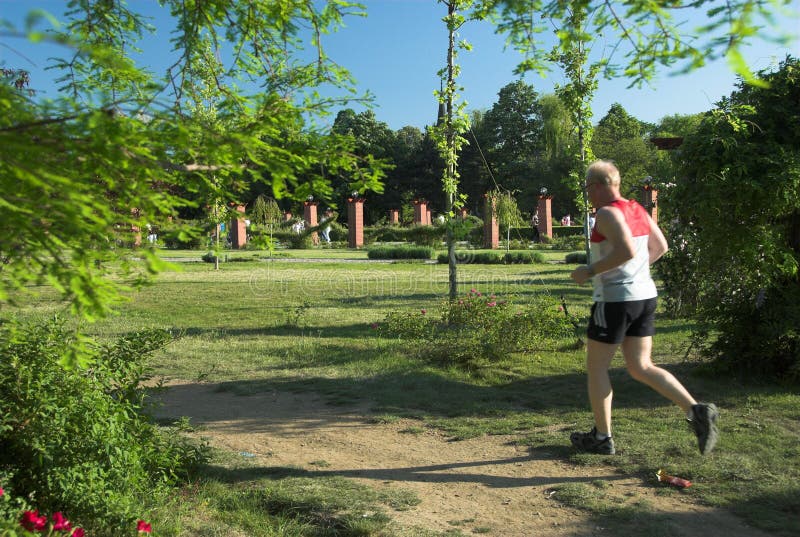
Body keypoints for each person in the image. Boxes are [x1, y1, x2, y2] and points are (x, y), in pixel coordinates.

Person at [569, 160, 719, 455]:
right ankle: (696, 410)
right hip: (644, 296)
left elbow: (624, 250)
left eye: (587, 188)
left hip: (614, 301)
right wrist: (635, 272)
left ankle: (602, 437)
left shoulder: (607, 213)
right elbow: (660, 246)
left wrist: (589, 271)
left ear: (597, 186)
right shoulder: (637, 209)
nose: (587, 194)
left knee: (596, 367)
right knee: (641, 366)